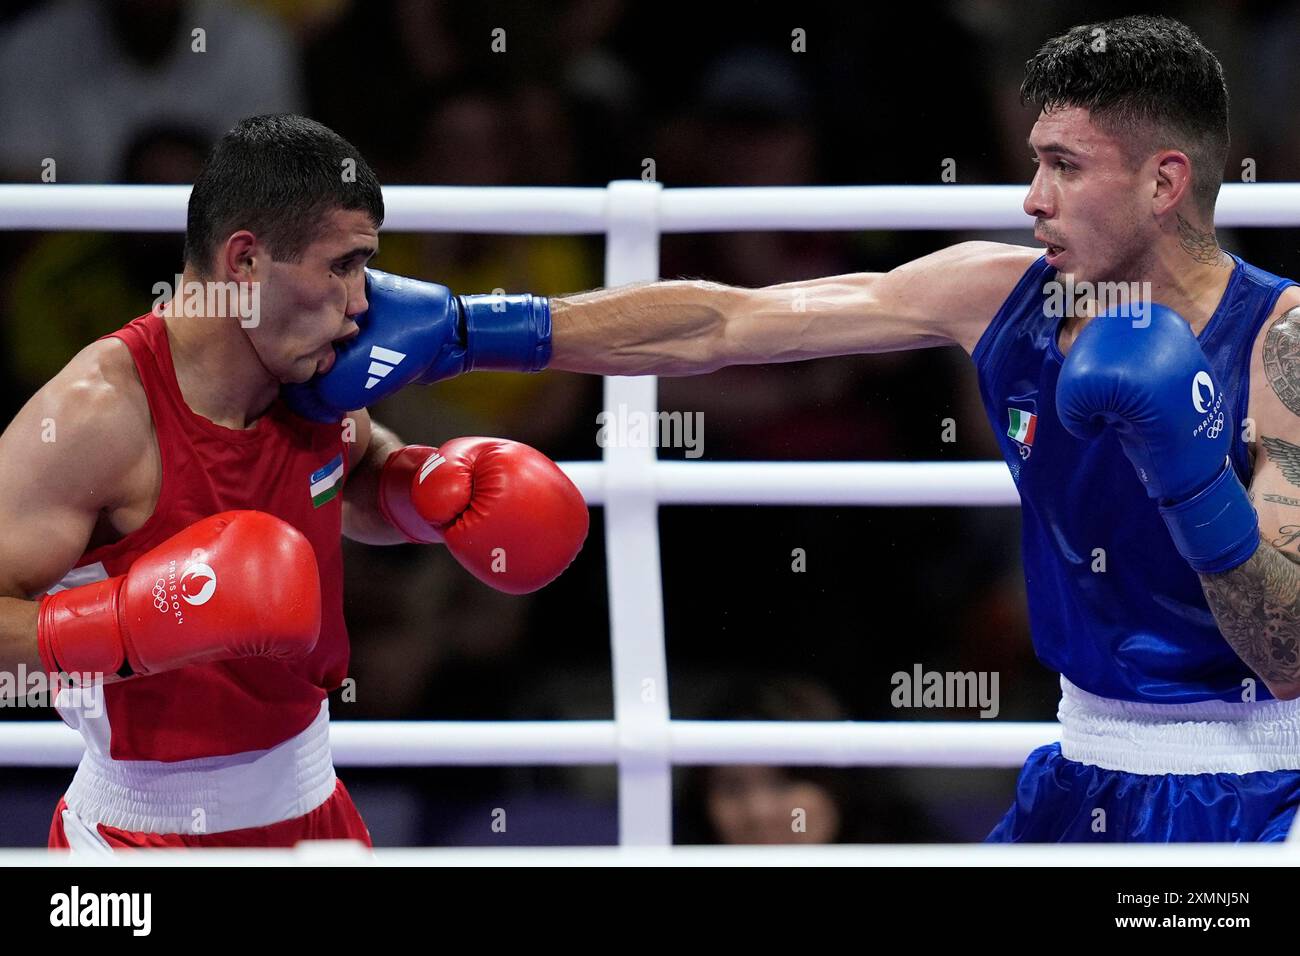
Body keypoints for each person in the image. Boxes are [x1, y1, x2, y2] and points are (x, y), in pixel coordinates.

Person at [300, 15, 1300, 841]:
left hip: (1259, 785)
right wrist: (483, 330)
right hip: (1084, 767)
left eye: (1064, 167)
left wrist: (1188, 475)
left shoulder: (1278, 342)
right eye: (1035, 160)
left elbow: (1288, 650)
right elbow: (728, 320)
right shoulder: (998, 292)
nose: (1030, 196)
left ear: (1165, 183)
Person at [0, 114, 588, 851]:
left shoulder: (309, 370)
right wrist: (127, 623)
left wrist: (420, 490)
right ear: (244, 261)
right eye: (342, 265)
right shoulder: (97, 413)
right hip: (138, 833)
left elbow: (355, 473)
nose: (363, 301)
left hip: (313, 809)